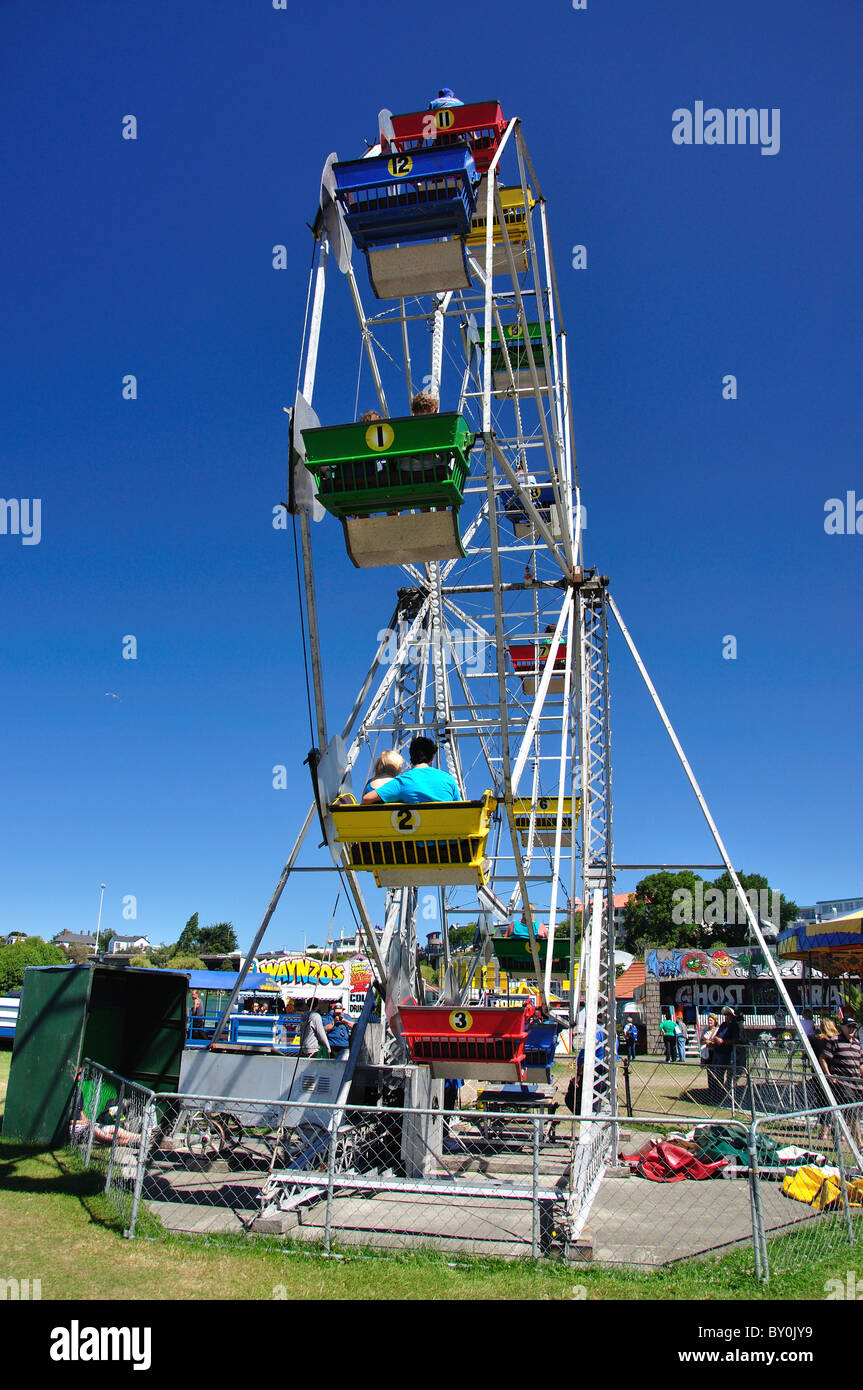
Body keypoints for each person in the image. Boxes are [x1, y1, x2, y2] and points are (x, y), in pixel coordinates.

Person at [361, 734, 460, 804]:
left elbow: (367, 798)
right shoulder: (448, 779)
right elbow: (461, 809)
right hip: (447, 831)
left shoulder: (403, 781)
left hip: (415, 831)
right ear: (432, 759)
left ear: (411, 758)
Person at [707, 1006, 741, 1104]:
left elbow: (735, 1040)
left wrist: (723, 1041)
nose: (726, 1016)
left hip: (725, 1052)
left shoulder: (734, 1026)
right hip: (718, 1051)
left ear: (732, 1016)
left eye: (728, 1015)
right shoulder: (723, 1025)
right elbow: (717, 1036)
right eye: (725, 1015)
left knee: (720, 1074)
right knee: (714, 1074)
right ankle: (714, 1095)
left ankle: (720, 1096)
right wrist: (714, 1042)